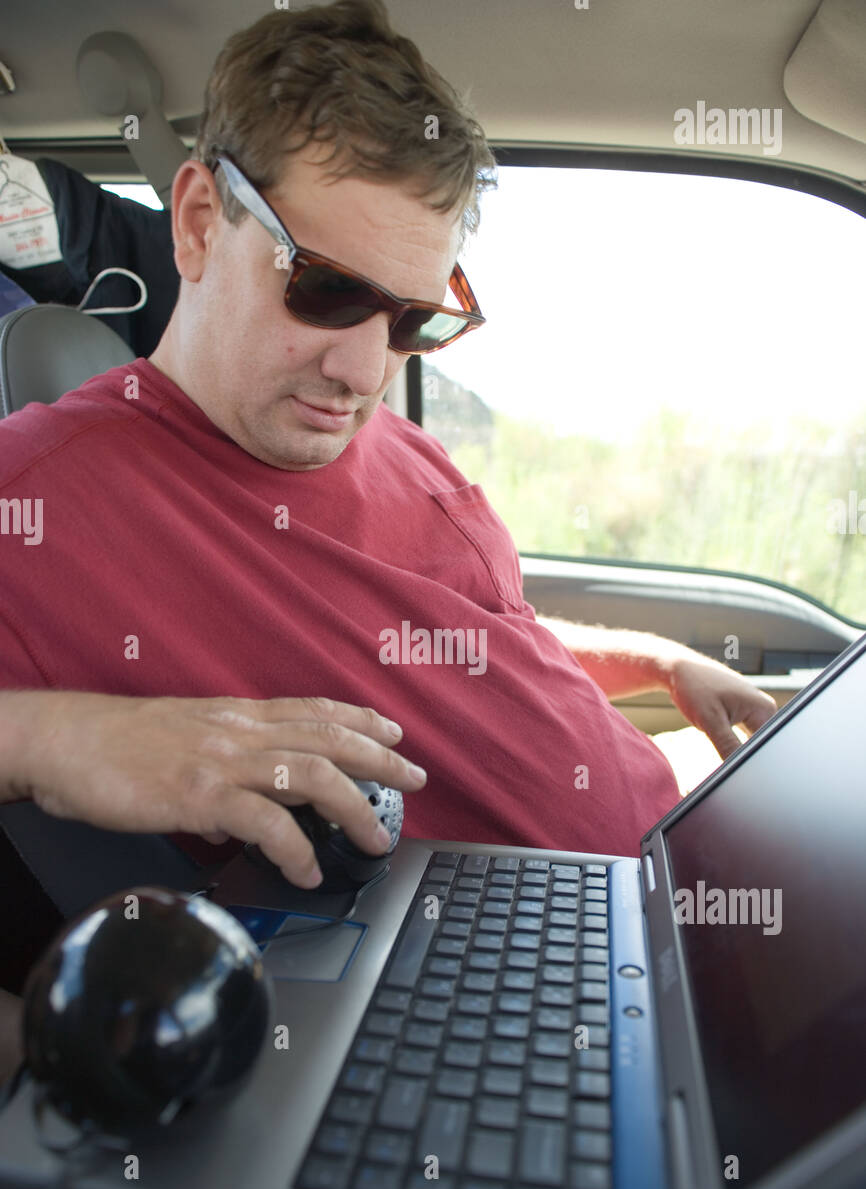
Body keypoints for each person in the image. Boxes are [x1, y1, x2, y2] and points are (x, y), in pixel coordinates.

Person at [0, 2, 774, 898]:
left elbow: (462, 638)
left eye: (414, 319)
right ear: (202, 222)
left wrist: (658, 663)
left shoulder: (396, 443)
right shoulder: (43, 495)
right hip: (508, 990)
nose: (365, 370)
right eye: (324, 290)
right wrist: (56, 739)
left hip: (670, 880)